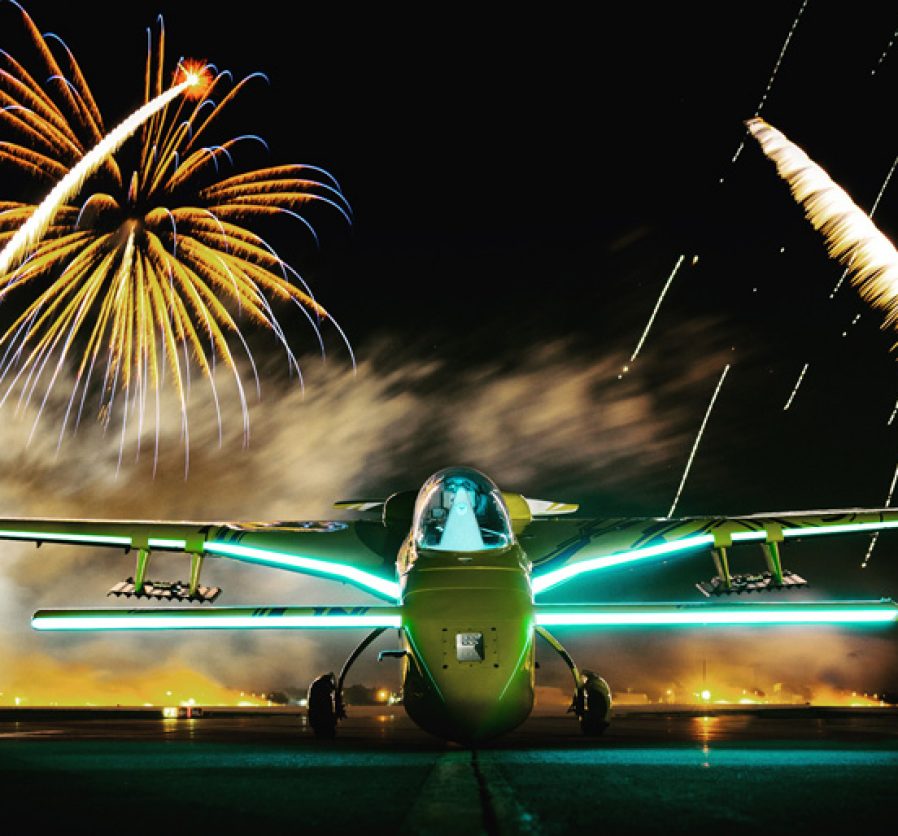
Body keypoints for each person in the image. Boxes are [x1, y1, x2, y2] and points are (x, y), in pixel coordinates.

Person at [307, 672, 337, 738]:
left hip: (317, 710)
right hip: (320, 711)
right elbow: (331, 689)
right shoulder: (321, 686)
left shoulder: (317, 684)